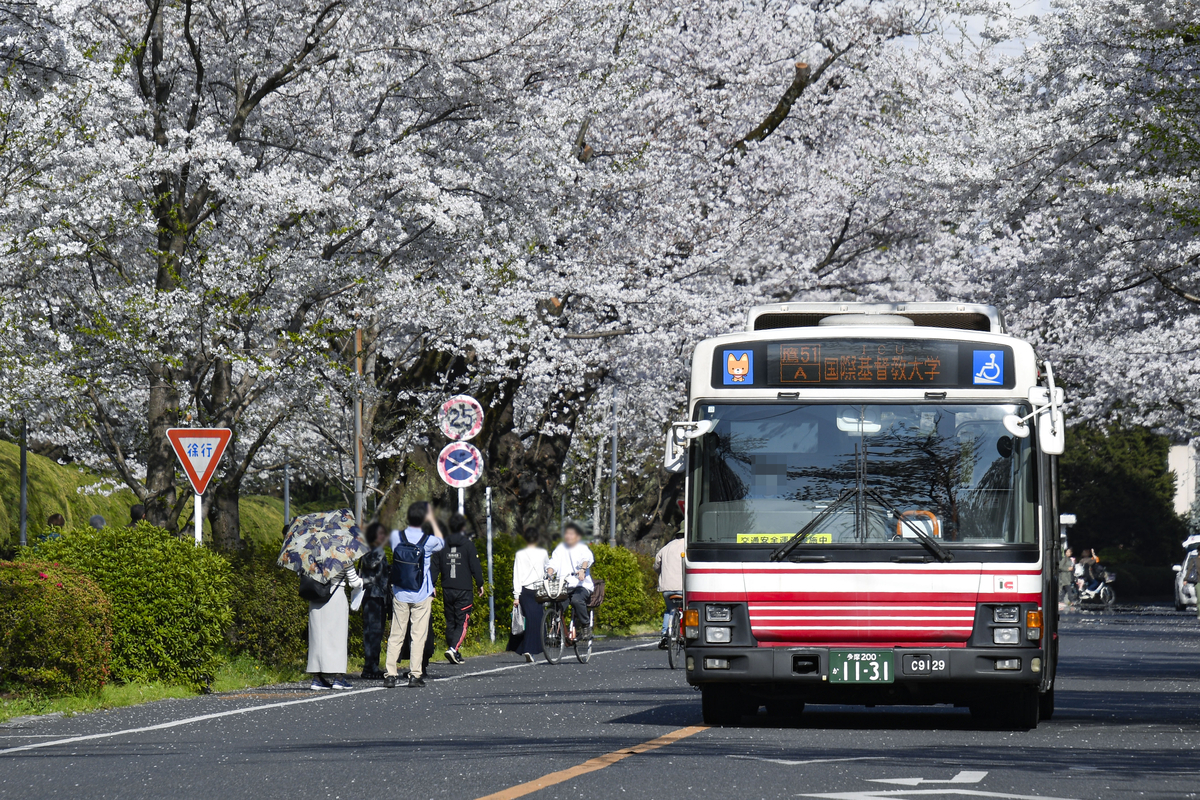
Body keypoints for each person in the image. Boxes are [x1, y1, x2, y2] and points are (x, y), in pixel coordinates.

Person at [384, 502, 445, 688]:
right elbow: (442, 543)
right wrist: (433, 521)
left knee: (396, 634)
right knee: (418, 635)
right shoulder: (428, 541)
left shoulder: (396, 536)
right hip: (421, 593)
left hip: (400, 592)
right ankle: (414, 674)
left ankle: (390, 674)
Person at [431, 513, 485, 664]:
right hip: (464, 589)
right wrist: (480, 583)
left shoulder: (442, 545)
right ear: (463, 527)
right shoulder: (468, 545)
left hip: (447, 587)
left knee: (451, 621)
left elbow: (434, 566)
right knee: (462, 621)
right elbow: (475, 566)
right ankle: (453, 648)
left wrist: (432, 584)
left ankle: (454, 650)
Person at [307, 559, 363, 691]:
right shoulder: (343, 554)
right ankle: (338, 677)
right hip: (335, 595)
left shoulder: (312, 554)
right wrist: (363, 581)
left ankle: (317, 677)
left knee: (317, 638)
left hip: (315, 595)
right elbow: (354, 581)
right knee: (337, 637)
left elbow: (302, 574)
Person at [506, 527, 549, 661]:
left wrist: (516, 595)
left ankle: (527, 648)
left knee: (529, 620)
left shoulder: (520, 554)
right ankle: (530, 649)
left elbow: (517, 575)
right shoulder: (543, 553)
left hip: (524, 591)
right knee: (536, 620)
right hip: (539, 590)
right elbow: (548, 569)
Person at [548, 522, 594, 641]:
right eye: (567, 533)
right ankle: (556, 631)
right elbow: (553, 563)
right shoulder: (560, 549)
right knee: (557, 605)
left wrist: (582, 570)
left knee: (576, 600)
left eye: (571, 534)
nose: (569, 536)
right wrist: (549, 573)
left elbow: (586, 559)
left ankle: (585, 627)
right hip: (564, 585)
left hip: (581, 585)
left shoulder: (582, 547)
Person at [358, 522, 390, 679]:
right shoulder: (370, 549)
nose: (384, 537)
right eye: (381, 534)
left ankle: (373, 665)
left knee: (377, 632)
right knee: (372, 632)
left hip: (379, 595)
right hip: (371, 595)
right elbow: (370, 563)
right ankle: (369, 667)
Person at [654, 530, 686, 649]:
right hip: (683, 587)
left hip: (666, 588)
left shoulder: (665, 548)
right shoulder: (688, 547)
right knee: (687, 609)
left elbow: (656, 565)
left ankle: (664, 635)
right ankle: (684, 634)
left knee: (669, 609)